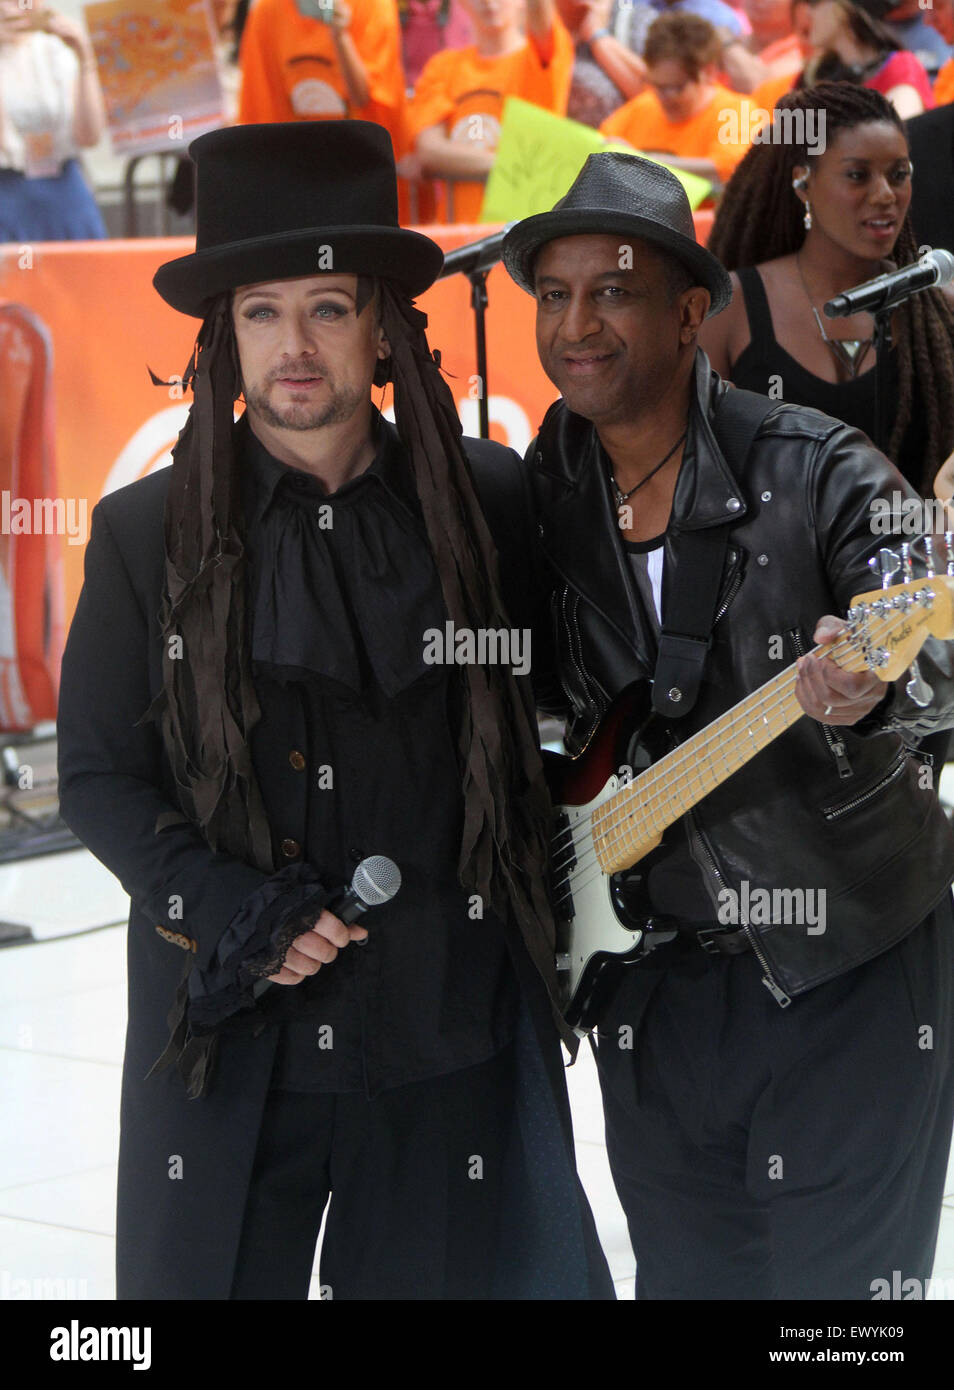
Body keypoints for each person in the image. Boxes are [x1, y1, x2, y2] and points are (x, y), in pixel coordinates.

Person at [56, 119, 614, 1301]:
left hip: (441, 1031)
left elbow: (568, 714)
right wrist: (225, 905)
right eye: (261, 310)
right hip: (233, 1035)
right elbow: (98, 775)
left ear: (380, 327)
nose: (293, 346)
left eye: (325, 306)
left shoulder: (486, 502)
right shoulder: (145, 534)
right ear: (223, 335)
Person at [501, 148, 954, 1298]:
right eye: (553, 295)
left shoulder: (812, 463)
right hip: (647, 989)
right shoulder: (540, 494)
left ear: (691, 309)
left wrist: (880, 684)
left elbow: (931, 628)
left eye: (611, 290)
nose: (576, 325)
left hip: (843, 961)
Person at [701, 83, 954, 499]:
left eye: (899, 174)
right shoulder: (733, 306)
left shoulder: (934, 311)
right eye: (858, 175)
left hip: (908, 560)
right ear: (803, 185)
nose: (885, 195)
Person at [405, 0, 573, 223]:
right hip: (459, 237)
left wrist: (459, 161)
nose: (490, 3)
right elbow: (429, 150)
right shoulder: (444, 67)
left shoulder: (542, 58)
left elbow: (542, 19)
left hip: (524, 235)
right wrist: (518, 166)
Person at [599, 12, 758, 187]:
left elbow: (725, 171)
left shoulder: (737, 111)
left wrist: (640, 161)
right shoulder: (644, 105)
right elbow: (601, 144)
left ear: (708, 72)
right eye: (657, 85)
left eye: (676, 88)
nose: (664, 97)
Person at [0, 1, 106, 241]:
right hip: (6, 190)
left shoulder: (55, 47)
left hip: (64, 183)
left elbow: (89, 136)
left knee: (79, 271)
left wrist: (84, 54)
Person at [805, 0, 934, 115]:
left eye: (814, 2)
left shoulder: (901, 66)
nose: (808, 12)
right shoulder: (818, 78)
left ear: (843, 8)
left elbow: (900, 132)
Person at [556, 0, 652, 128]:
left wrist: (598, 37)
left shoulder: (635, 20)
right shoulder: (531, 14)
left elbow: (655, 97)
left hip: (613, 142)